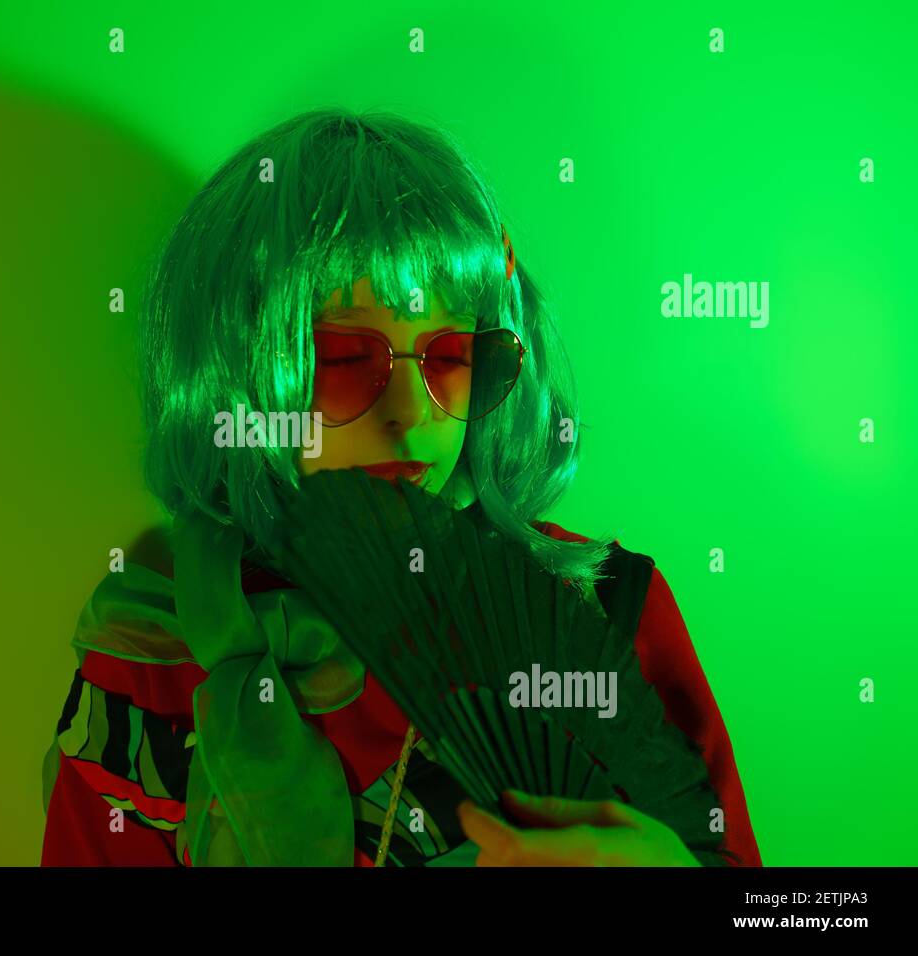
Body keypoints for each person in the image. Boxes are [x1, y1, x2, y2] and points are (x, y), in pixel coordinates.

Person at [40, 109, 761, 867]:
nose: (413, 415)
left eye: (452, 353)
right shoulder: (146, 654)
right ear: (238, 370)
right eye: (349, 354)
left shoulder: (608, 613)